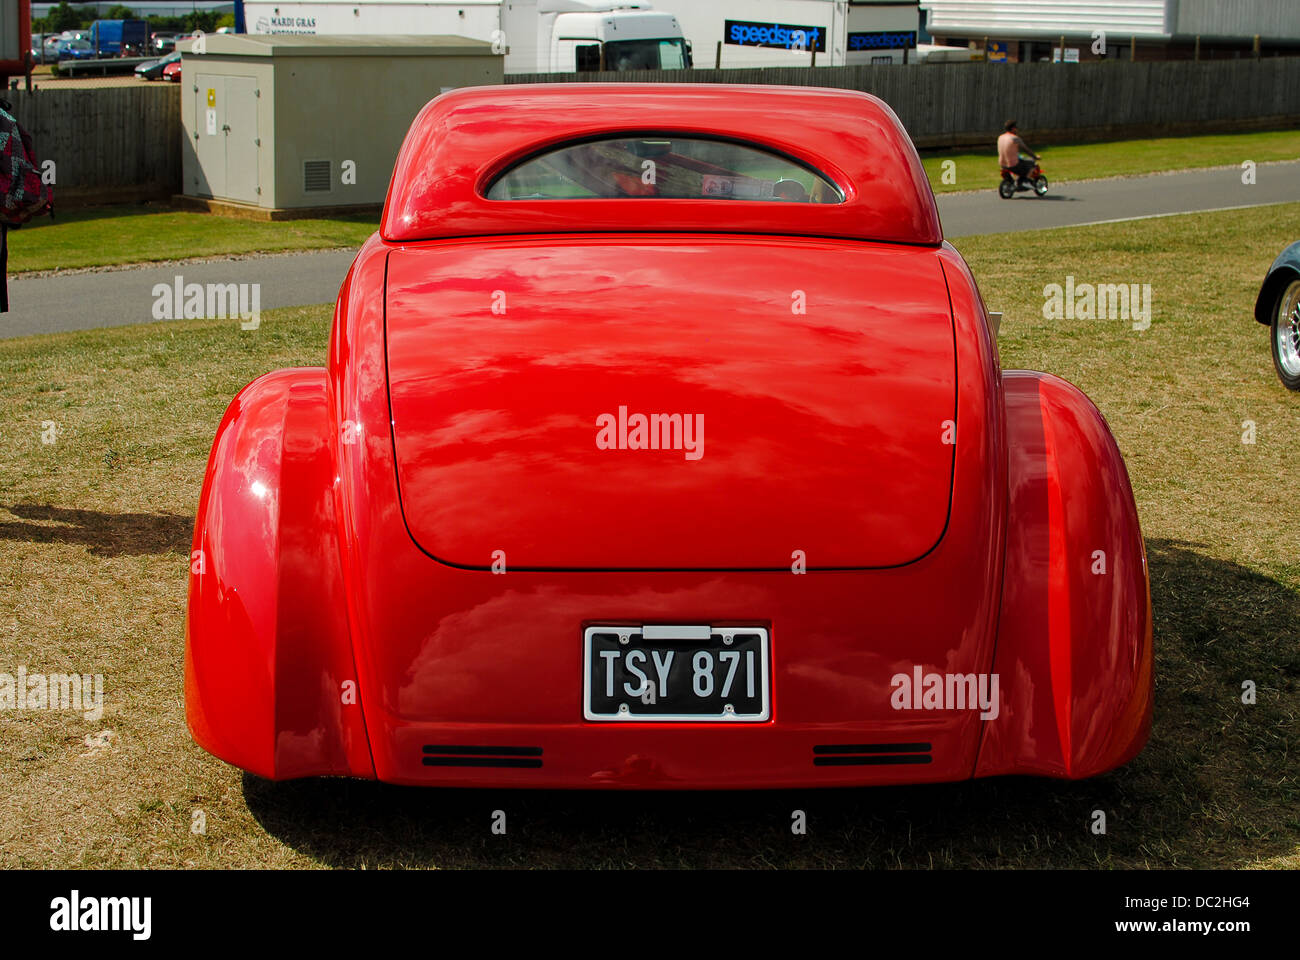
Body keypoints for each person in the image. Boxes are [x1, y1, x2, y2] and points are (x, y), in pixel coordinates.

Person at [997, 120, 1039, 187]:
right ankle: (1025, 180)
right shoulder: (1015, 138)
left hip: (1002, 164)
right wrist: (1035, 156)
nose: (1017, 129)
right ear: (1013, 128)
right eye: (1016, 128)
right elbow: (1026, 149)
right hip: (1013, 165)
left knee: (1022, 162)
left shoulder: (1000, 137)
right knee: (1032, 163)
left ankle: (1015, 181)